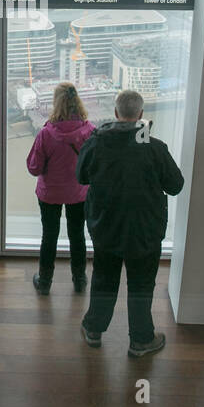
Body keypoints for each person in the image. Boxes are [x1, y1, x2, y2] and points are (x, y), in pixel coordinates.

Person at [77, 90, 184, 357]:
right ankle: (140, 340)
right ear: (141, 115)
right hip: (145, 229)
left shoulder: (96, 143)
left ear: (115, 114)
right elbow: (176, 185)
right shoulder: (154, 147)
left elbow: (81, 177)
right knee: (141, 284)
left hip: (106, 226)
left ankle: (93, 329)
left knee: (104, 278)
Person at [26, 82, 95, 295]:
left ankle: (45, 281)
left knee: (49, 235)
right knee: (77, 235)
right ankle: (80, 279)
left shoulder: (46, 134)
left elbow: (34, 168)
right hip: (79, 193)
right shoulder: (90, 131)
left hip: (50, 193)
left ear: (55, 103)